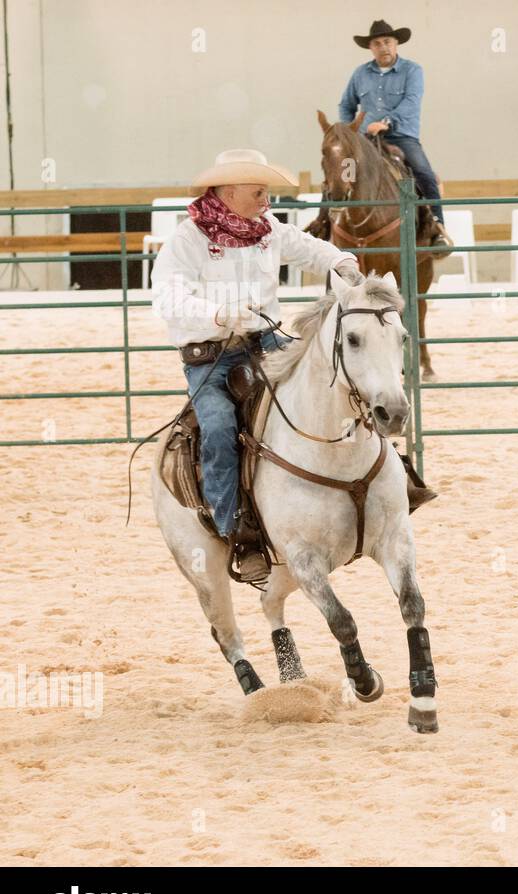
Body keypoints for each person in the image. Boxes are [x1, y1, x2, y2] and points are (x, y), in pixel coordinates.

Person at [152, 149, 364, 579]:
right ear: (229, 192)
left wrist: (340, 260)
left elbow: (308, 248)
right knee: (218, 426)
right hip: (210, 356)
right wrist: (217, 315)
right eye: (258, 191)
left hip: (265, 343)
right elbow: (169, 297)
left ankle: (382, 481)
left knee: (335, 383)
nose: (266, 199)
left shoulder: (267, 229)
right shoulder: (188, 239)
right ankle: (238, 532)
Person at [339, 19, 449, 242]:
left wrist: (387, 122)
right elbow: (346, 105)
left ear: (396, 43)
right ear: (371, 47)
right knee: (342, 171)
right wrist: (350, 133)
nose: (383, 47)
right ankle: (325, 223)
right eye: (377, 43)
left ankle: (437, 227)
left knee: (424, 173)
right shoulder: (360, 74)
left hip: (402, 136)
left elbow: (411, 101)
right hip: (365, 139)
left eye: (387, 41)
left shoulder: (412, 70)